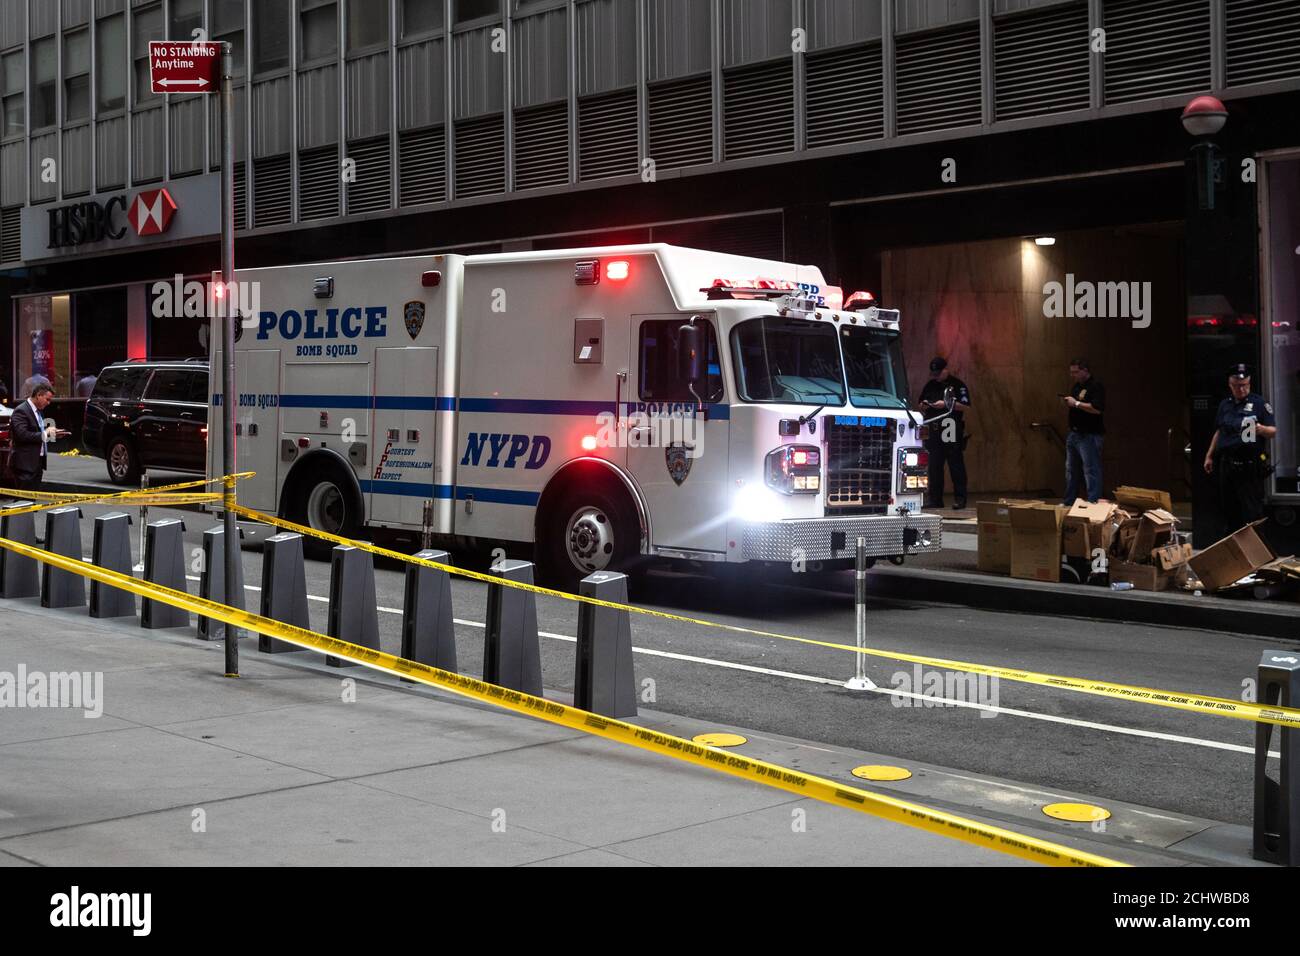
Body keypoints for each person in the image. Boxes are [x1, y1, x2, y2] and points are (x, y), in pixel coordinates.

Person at [1204, 363, 1277, 533]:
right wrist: (1209, 456)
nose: (1241, 389)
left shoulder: (1259, 403)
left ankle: (1258, 553)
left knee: (1252, 512)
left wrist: (1261, 429)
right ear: (1230, 386)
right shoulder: (1225, 405)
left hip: (1249, 465)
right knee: (1230, 511)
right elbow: (1219, 432)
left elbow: (1273, 431)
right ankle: (1235, 554)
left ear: (1249, 385)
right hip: (1227, 465)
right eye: (1237, 386)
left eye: (1244, 386)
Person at [918, 356, 971, 509]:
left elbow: (966, 406)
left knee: (956, 465)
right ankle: (935, 499)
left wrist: (946, 404)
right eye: (934, 373)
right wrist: (925, 405)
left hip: (951, 429)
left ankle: (960, 499)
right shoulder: (930, 385)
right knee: (934, 466)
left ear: (946, 369)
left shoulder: (957, 385)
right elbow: (921, 402)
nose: (936, 376)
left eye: (939, 373)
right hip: (934, 429)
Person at [1062, 358, 1105, 504]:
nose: (1073, 375)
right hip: (1074, 434)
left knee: (1090, 469)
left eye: (1075, 372)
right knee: (1071, 470)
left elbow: (1097, 409)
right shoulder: (1076, 387)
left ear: (1085, 370)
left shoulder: (1096, 386)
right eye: (1071, 372)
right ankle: (1069, 501)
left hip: (1089, 435)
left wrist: (1077, 403)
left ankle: (1093, 501)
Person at [9, 382, 55, 493]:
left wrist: (51, 434)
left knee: (31, 501)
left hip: (37, 462)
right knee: (24, 500)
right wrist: (45, 434)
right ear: (39, 395)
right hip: (25, 464)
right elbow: (22, 435)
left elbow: (37, 433)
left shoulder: (38, 411)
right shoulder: (21, 410)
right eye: (47, 399)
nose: (48, 403)